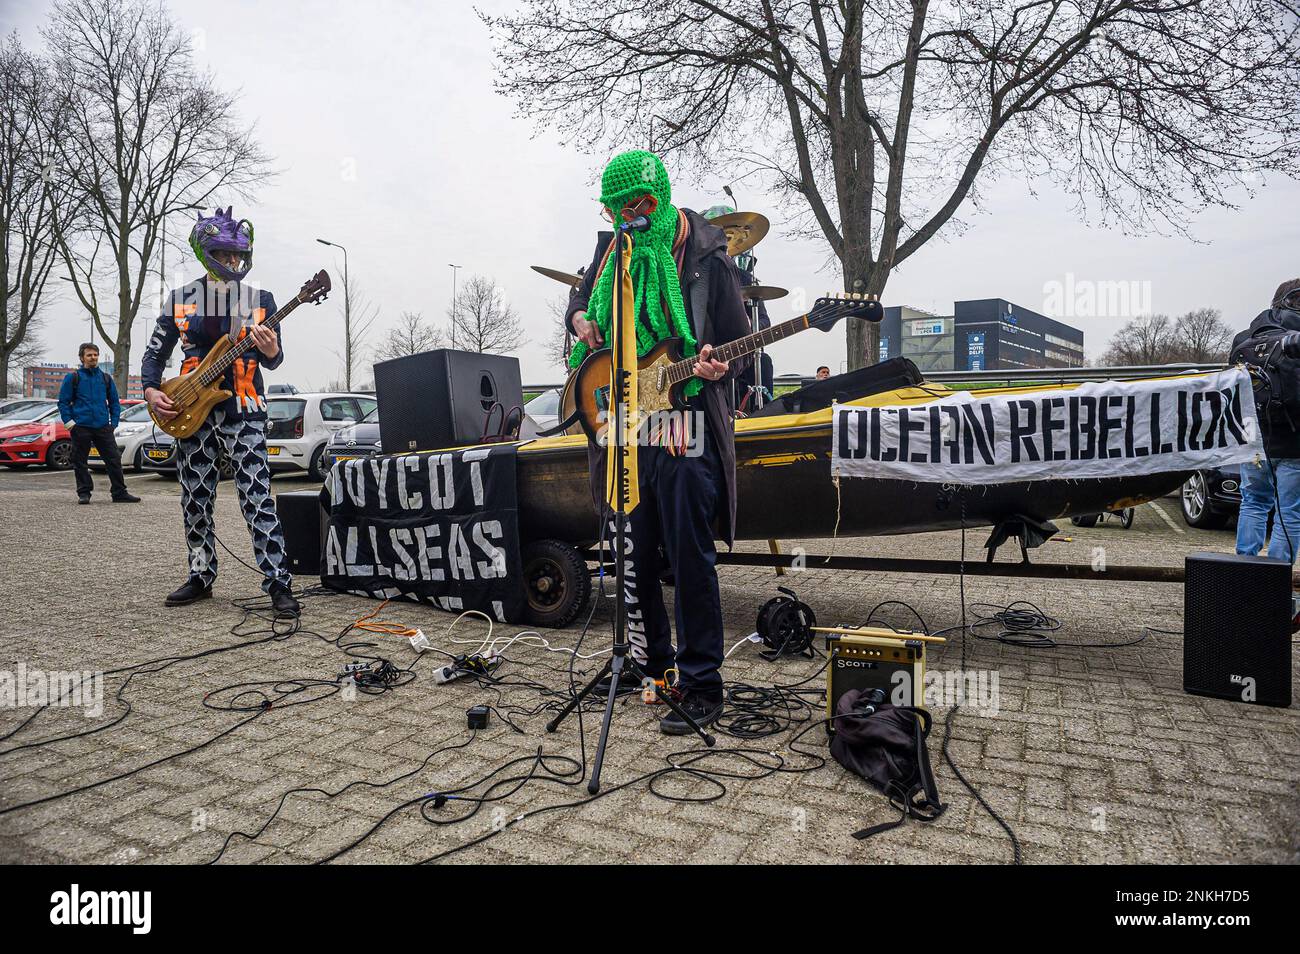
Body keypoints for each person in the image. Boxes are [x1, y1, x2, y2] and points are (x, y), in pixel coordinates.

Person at [567, 151, 750, 734]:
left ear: (659, 198)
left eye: (636, 207)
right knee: (633, 550)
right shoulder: (611, 249)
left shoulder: (709, 262)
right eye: (615, 209)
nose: (627, 218)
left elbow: (742, 349)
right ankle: (652, 666)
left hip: (683, 418)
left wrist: (720, 369)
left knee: (689, 553)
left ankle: (702, 682)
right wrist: (580, 321)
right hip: (624, 422)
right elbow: (577, 298)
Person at [140, 206, 298, 616]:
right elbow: (155, 354)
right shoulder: (180, 300)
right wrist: (151, 390)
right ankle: (200, 575)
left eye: (236, 256)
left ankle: (278, 582)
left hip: (244, 410)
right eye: (224, 255)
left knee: (258, 496)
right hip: (189, 409)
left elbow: (274, 360)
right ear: (206, 253)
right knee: (195, 498)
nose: (232, 263)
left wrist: (271, 349)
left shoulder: (260, 300)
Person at [1234, 278, 1300, 563]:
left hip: (1253, 440)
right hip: (1294, 442)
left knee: (1252, 503)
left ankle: (1243, 572)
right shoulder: (1295, 338)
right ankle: (1277, 581)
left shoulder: (1244, 339)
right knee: (1289, 512)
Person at [57, 343, 140, 505]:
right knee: (80, 461)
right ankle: (84, 493)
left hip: (103, 427)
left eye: (95, 355)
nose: (93, 358)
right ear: (82, 358)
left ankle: (119, 492)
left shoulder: (105, 378)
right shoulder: (73, 378)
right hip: (81, 426)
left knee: (114, 459)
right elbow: (63, 403)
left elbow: (115, 403)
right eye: (89, 355)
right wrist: (70, 423)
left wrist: (113, 423)